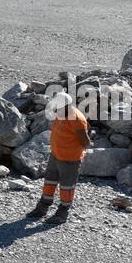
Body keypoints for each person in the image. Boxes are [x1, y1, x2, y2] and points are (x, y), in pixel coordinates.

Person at [28, 91, 91, 223]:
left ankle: (62, 213)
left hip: (70, 159)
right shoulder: (61, 113)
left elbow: (85, 142)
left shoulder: (77, 119)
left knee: (66, 186)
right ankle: (43, 207)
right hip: (56, 155)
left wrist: (77, 152)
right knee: (49, 181)